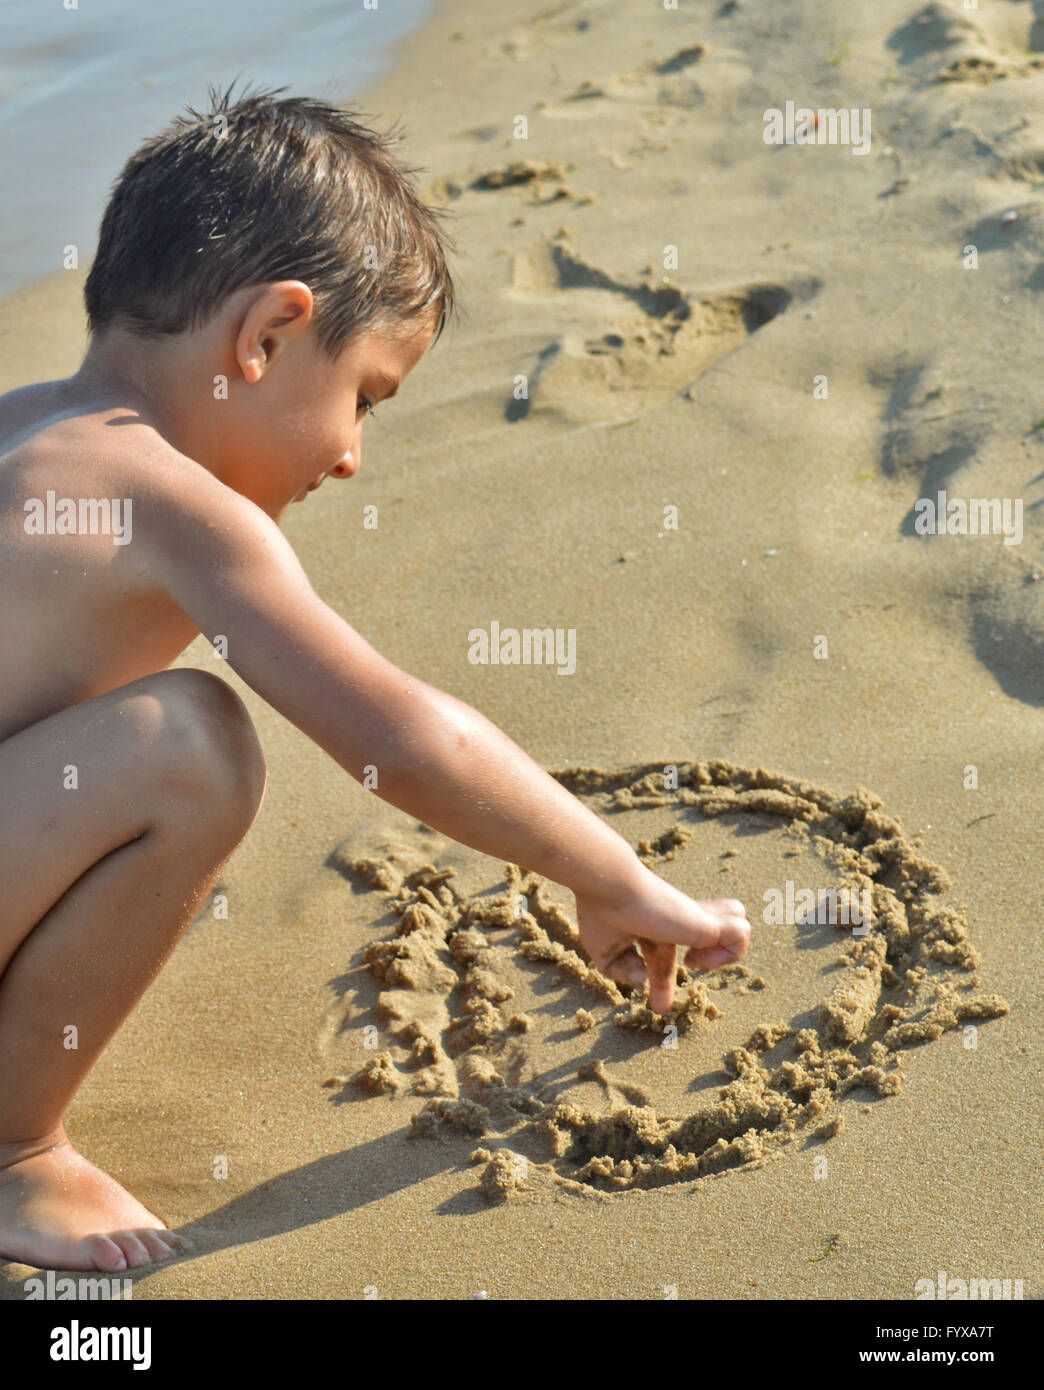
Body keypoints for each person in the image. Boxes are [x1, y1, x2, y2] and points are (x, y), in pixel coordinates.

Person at [0, 85, 750, 1273]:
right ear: (267, 336)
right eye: (364, 398)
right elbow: (400, 739)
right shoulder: (172, 503)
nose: (351, 455)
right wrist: (610, 875)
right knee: (190, 745)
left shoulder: (23, 430)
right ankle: (12, 1150)